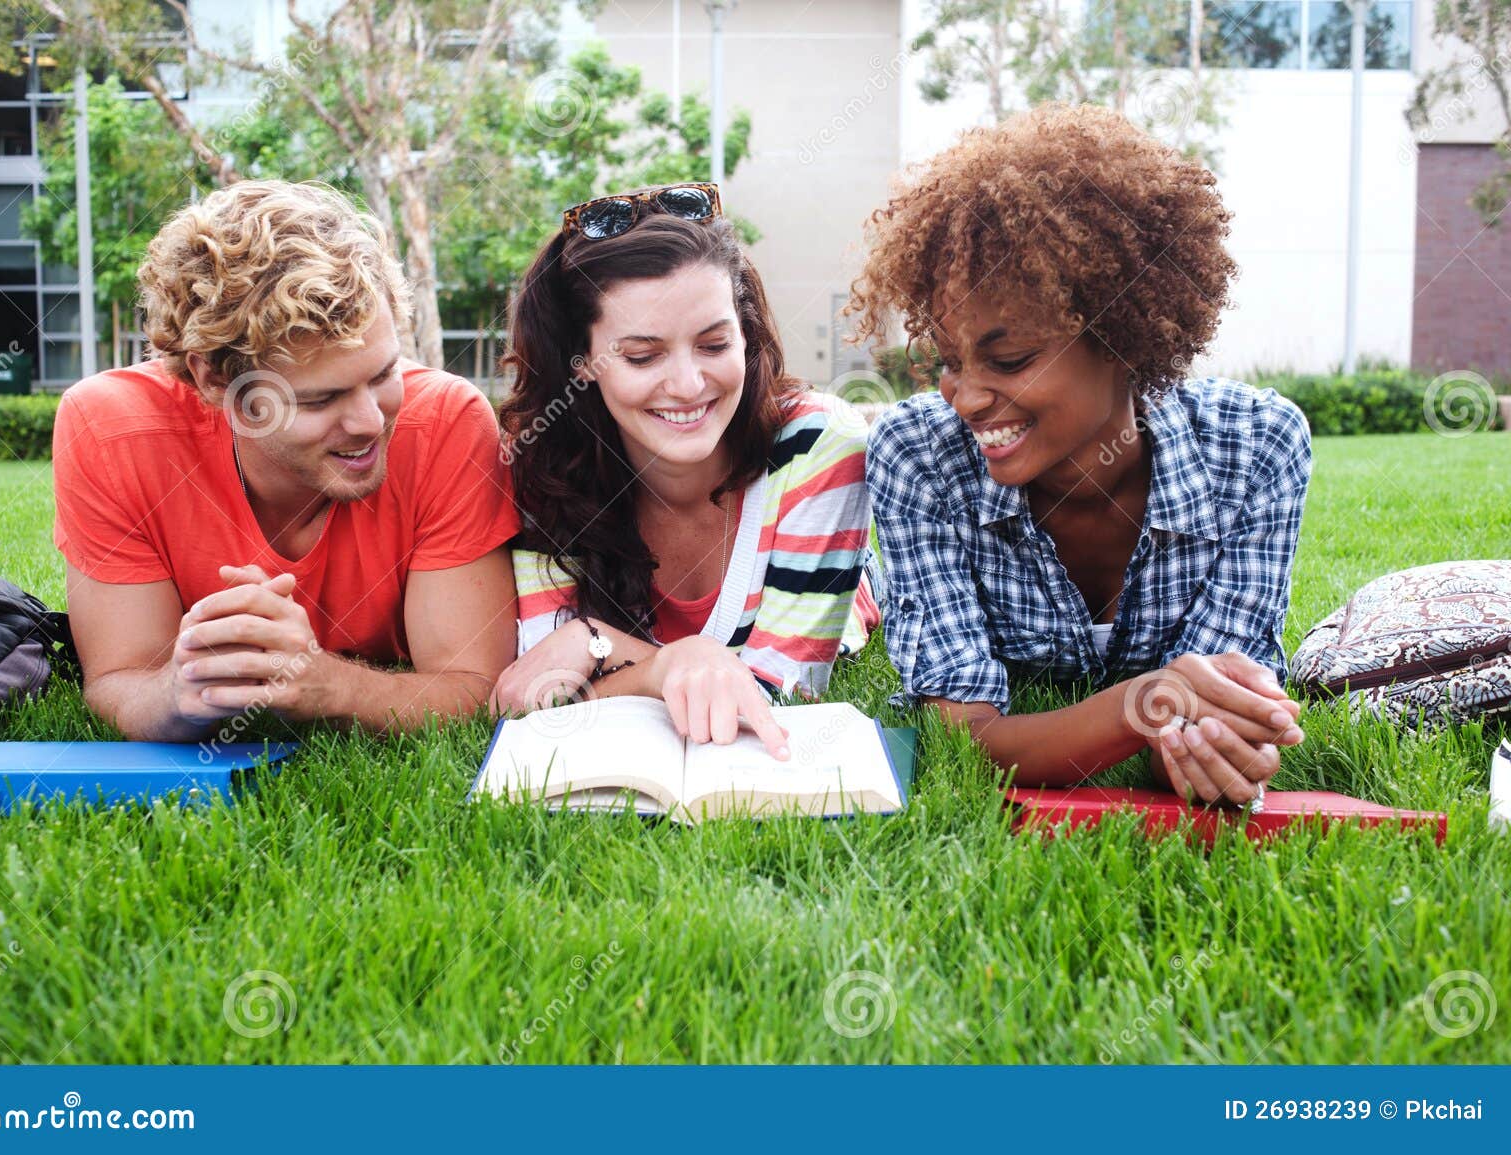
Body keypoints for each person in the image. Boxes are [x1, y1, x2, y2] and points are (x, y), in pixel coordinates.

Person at [851, 104, 1311, 805]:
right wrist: (1144, 705)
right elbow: (963, 736)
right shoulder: (918, 455)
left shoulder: (1254, 448)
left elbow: (1215, 712)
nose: (965, 398)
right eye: (949, 360)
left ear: (1122, 338)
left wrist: (1207, 743)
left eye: (1009, 359)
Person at [52, 180, 519, 741]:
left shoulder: (446, 421)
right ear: (216, 381)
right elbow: (118, 678)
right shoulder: (111, 429)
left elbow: (475, 687)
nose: (370, 421)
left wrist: (329, 688)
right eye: (319, 399)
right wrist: (179, 691)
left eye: (383, 374)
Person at [491, 183, 878, 758]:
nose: (688, 385)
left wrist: (597, 645)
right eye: (642, 356)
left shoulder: (820, 443)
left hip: (834, 580)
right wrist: (667, 666)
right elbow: (539, 687)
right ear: (583, 362)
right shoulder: (542, 462)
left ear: (745, 334)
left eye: (714, 345)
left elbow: (779, 692)